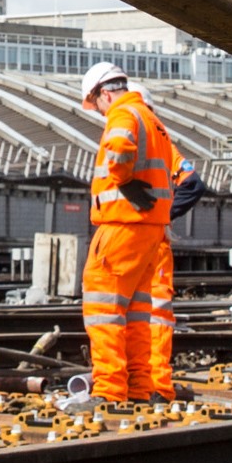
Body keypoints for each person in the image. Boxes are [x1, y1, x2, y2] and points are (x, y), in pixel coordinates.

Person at [79, 61, 180, 404]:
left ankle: (109, 391)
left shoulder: (123, 114)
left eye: (96, 104)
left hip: (122, 224)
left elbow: (119, 149)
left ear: (104, 93)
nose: (99, 111)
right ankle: (139, 389)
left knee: (102, 308)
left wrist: (123, 180)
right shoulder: (155, 122)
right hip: (150, 232)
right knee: (136, 314)